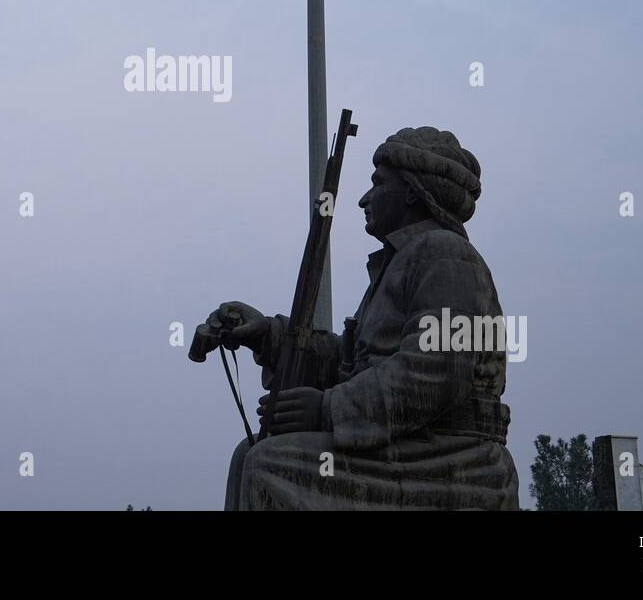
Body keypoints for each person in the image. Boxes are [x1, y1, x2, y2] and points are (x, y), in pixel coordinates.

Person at [199, 127, 520, 510]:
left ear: (413, 192)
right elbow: (351, 363)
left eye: (378, 184)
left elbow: (437, 372)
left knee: (270, 463)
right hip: (410, 446)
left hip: (453, 458)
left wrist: (327, 409)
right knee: (250, 453)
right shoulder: (401, 263)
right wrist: (269, 336)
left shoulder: (446, 256)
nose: (364, 199)